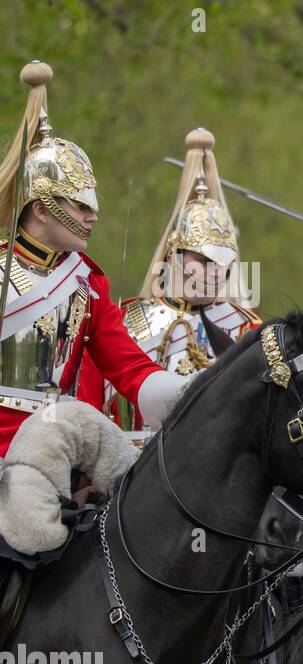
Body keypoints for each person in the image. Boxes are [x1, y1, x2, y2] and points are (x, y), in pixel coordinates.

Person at [0, 61, 185, 457]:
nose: (92, 217)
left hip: (63, 447)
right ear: (42, 209)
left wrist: (196, 389)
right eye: (80, 206)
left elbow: (130, 369)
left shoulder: (88, 284)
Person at [78, 127, 258, 430]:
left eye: (223, 263)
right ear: (174, 258)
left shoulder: (247, 330)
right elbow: (91, 403)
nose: (215, 272)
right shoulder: (126, 319)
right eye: (203, 261)